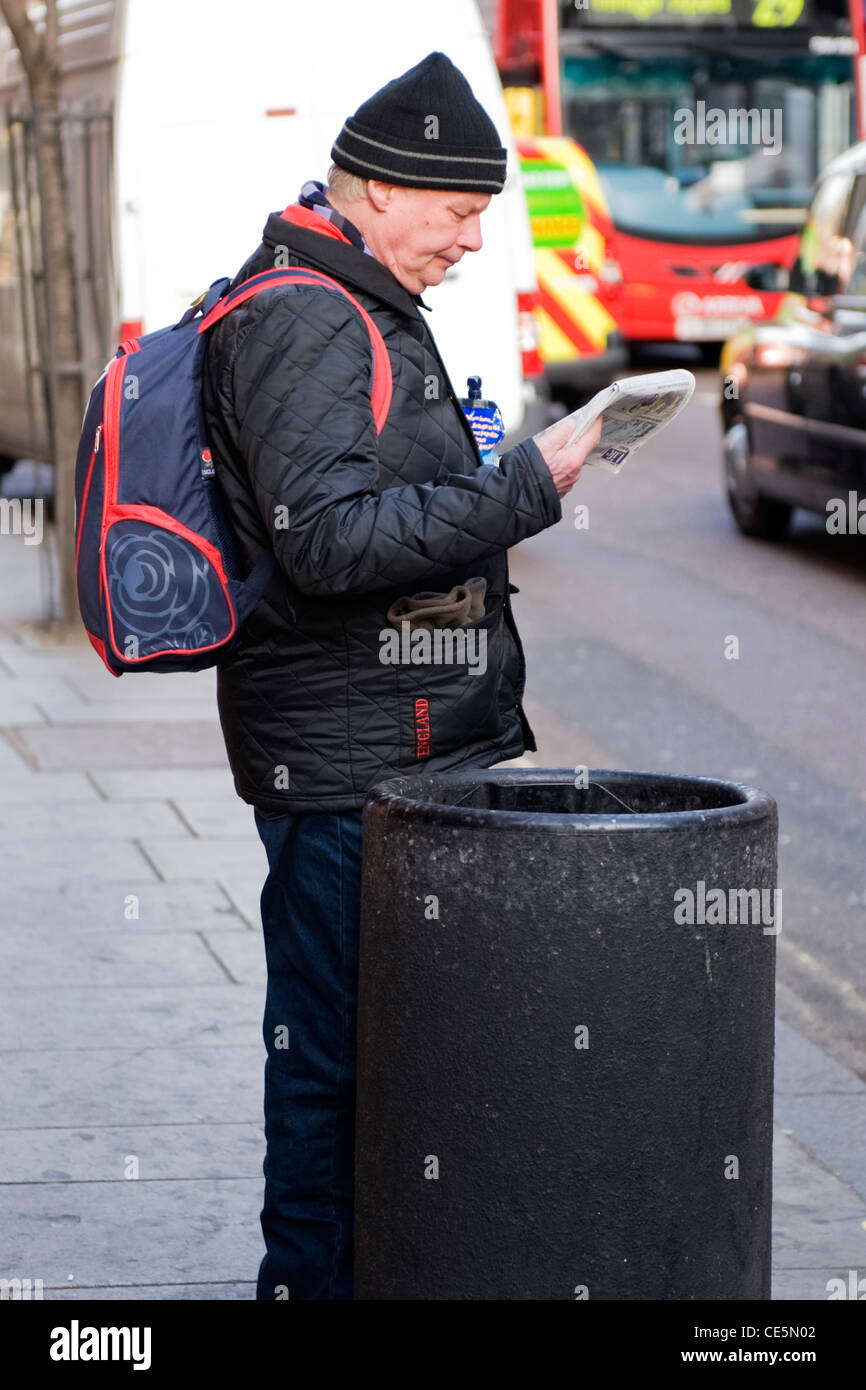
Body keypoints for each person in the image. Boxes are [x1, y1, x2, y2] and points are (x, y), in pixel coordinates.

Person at [200, 50, 602, 1301]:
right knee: (332, 1066)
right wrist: (526, 488)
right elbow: (325, 543)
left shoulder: (347, 297)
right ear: (375, 189)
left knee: (393, 1062)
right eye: (459, 210)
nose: (477, 239)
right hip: (348, 773)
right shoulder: (305, 317)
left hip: (389, 749)